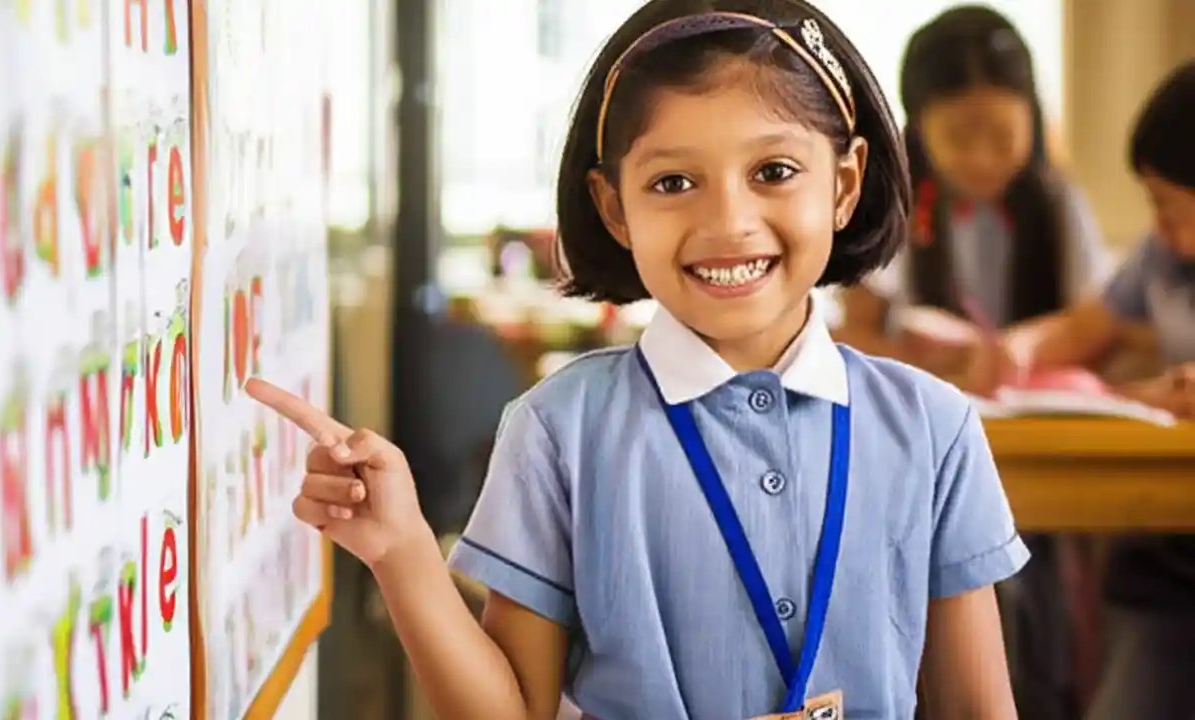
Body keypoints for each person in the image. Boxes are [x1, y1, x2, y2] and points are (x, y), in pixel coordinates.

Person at [249, 1, 1027, 716]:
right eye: (673, 181)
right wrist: (403, 551)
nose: (727, 221)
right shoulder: (560, 430)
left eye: (774, 172)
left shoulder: (934, 429)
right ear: (614, 206)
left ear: (845, 183)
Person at [1002, 60, 1195, 718]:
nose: (1163, 229)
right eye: (1156, 208)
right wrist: (1016, 349)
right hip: (1172, 563)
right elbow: (1086, 327)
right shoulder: (1163, 257)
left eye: (1173, 208)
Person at [836, 5, 1110, 395]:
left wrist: (1022, 350)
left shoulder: (1058, 201)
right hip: (923, 400)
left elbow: (1097, 326)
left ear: (1032, 118)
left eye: (1003, 136)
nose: (982, 159)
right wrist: (915, 358)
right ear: (918, 127)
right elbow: (854, 332)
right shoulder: (890, 203)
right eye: (959, 138)